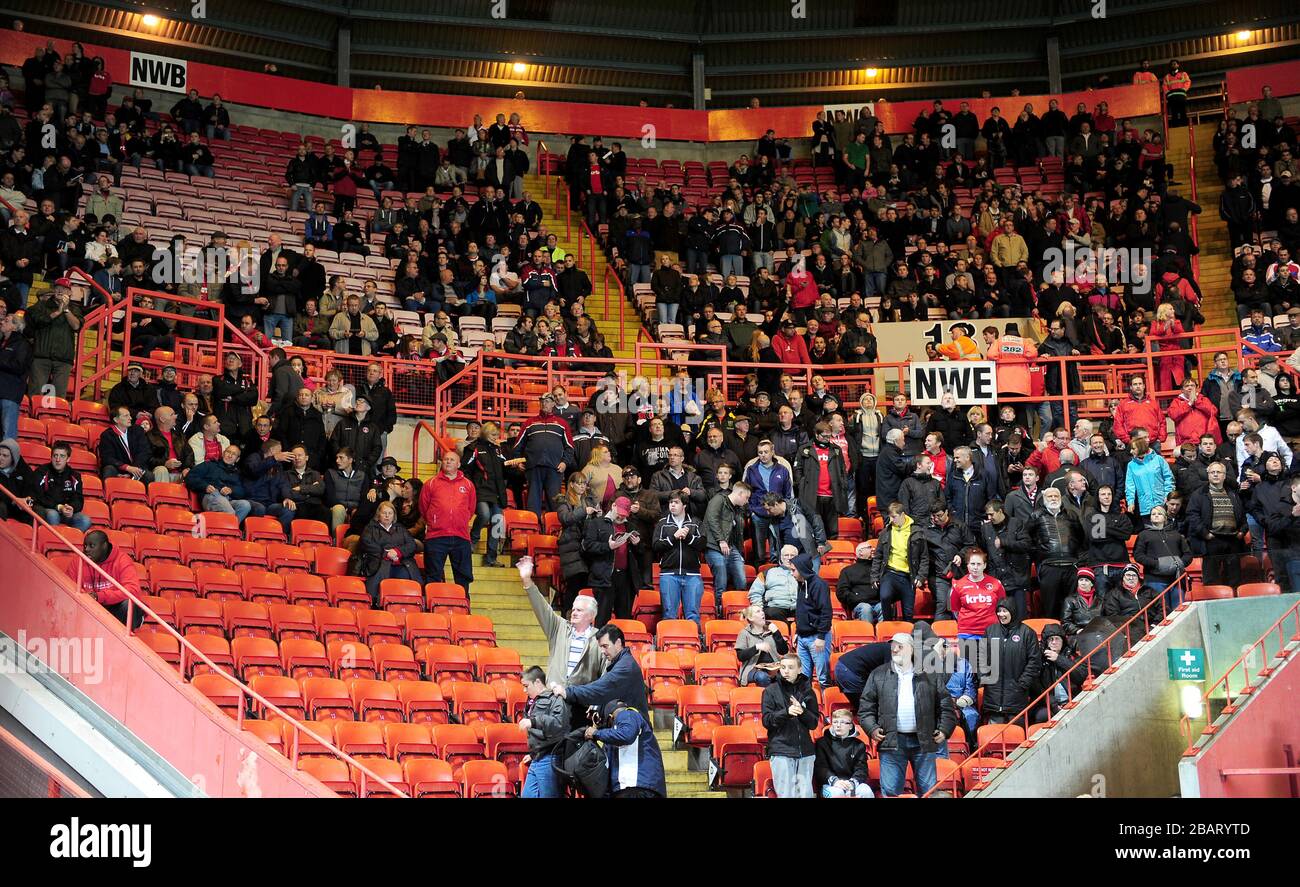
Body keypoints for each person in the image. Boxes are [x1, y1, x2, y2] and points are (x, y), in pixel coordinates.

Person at [858, 631, 956, 797]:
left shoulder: (930, 675)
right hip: (891, 741)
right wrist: (872, 728)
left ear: (911, 649)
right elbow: (866, 707)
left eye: (899, 646)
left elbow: (945, 705)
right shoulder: (878, 674)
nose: (894, 650)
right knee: (890, 791)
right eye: (893, 646)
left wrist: (945, 729)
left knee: (929, 792)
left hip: (924, 741)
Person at [555, 624, 650, 721]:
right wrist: (597, 706)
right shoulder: (620, 662)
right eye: (601, 647)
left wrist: (567, 692)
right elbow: (611, 694)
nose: (602, 651)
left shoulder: (625, 667)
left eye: (605, 646)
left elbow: (600, 689)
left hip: (634, 731)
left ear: (618, 643)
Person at [761, 652, 821, 798]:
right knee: (786, 795)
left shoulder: (808, 691)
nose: (786, 671)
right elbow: (767, 720)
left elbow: (813, 723)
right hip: (781, 750)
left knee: (805, 795)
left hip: (805, 752)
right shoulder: (770, 691)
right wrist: (786, 712)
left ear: (799, 669)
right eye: (783, 667)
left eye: (790, 667)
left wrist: (802, 712)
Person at [585, 699, 666, 798]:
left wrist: (596, 733)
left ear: (611, 717)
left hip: (637, 786)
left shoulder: (627, 714)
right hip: (633, 789)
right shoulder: (612, 739)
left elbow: (626, 735)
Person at [64, 530, 143, 628]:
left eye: (92, 546)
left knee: (129, 605)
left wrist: (99, 596)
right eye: (85, 546)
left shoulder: (122, 560)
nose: (86, 549)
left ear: (104, 546)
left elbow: (132, 590)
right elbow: (67, 589)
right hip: (90, 610)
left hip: (114, 608)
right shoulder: (78, 562)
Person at [981, 597, 1042, 724]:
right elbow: (981, 656)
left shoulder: (1027, 633)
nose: (1001, 614)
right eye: (999, 611)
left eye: (1005, 611)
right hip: (993, 696)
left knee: (1016, 736)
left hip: (1017, 697)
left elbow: (1034, 661)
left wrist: (1023, 683)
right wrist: (985, 677)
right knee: (994, 739)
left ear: (1013, 611)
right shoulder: (990, 631)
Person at [583, 495, 641, 625]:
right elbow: (588, 546)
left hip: (625, 578)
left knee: (624, 619)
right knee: (602, 618)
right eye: (619, 514)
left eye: (624, 515)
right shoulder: (597, 523)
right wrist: (608, 546)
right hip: (604, 577)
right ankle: (597, 645)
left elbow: (640, 553)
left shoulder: (630, 525)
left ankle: (621, 644)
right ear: (613, 506)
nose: (621, 517)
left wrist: (637, 544)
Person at [516, 394, 575, 515]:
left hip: (555, 469)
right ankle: (532, 529)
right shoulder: (529, 423)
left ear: (554, 404)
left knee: (554, 502)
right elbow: (518, 445)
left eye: (548, 401)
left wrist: (564, 462)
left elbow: (570, 447)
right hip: (533, 468)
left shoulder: (562, 423)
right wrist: (518, 461)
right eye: (542, 401)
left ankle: (553, 531)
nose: (544, 404)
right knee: (532, 503)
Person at [461, 420, 509, 567]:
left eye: (497, 434)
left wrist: (514, 467)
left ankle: (491, 557)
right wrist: (473, 486)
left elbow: (505, 469)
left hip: (497, 492)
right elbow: (465, 469)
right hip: (480, 490)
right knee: (484, 514)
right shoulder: (473, 448)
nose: (496, 437)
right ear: (486, 433)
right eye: (493, 434)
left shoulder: (498, 450)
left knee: (498, 521)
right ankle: (472, 541)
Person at [355, 500, 421, 606]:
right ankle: (378, 605)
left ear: (394, 515)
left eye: (390, 513)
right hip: (378, 563)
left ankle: (405, 606)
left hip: (401, 563)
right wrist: (386, 554)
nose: (387, 516)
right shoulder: (370, 529)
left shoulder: (401, 529)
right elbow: (366, 543)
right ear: (378, 514)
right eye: (384, 513)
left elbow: (411, 545)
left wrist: (398, 552)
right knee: (380, 584)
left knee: (406, 578)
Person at [653, 492, 706, 625]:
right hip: (669, 574)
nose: (672, 505)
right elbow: (656, 546)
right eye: (671, 502)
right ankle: (668, 644)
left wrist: (687, 537)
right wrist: (673, 537)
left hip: (692, 574)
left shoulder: (696, 522)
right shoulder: (662, 523)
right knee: (669, 614)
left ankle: (694, 645)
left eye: (676, 502)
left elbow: (702, 545)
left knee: (693, 615)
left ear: (684, 505)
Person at [871, 501, 929, 620]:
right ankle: (887, 625)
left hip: (909, 576)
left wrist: (921, 576)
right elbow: (878, 556)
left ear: (902, 514)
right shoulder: (885, 533)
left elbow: (924, 557)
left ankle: (908, 636)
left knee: (908, 613)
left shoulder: (917, 532)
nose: (891, 520)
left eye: (894, 517)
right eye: (890, 517)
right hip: (890, 573)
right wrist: (874, 576)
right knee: (885, 597)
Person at [518, 666, 570, 799]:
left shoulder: (555, 699)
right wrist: (533, 753)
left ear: (537, 682)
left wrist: (534, 721)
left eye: (526, 686)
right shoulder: (532, 701)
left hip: (549, 758)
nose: (524, 690)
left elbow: (558, 724)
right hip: (538, 757)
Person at [26, 277, 82, 398]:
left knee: (59, 397)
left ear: (70, 292)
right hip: (41, 356)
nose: (60, 291)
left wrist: (66, 309)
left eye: (64, 289)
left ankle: (55, 417)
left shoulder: (74, 308)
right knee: (35, 394)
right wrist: (57, 312)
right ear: (54, 290)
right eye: (58, 288)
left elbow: (77, 326)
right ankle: (32, 417)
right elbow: (38, 320)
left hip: (63, 359)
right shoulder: (41, 305)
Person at [703, 481, 752, 600]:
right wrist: (721, 540)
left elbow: (737, 533)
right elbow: (711, 519)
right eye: (746, 497)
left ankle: (739, 607)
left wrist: (739, 552)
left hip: (730, 546)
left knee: (742, 580)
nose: (747, 501)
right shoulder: (718, 499)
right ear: (740, 493)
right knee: (721, 582)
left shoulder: (737, 509)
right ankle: (720, 609)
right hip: (714, 546)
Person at [32, 441, 91, 530]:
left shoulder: (74, 476)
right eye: (55, 455)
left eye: (62, 456)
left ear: (68, 459)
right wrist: (58, 507)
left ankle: (69, 542)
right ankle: (52, 542)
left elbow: (78, 498)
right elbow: (38, 496)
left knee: (85, 520)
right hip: (48, 509)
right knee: (53, 515)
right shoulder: (41, 472)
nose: (58, 459)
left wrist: (72, 508)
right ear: (51, 457)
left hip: (67, 512)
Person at [187, 444, 253, 525]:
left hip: (228, 499)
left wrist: (231, 490)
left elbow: (242, 492)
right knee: (230, 512)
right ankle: (230, 531)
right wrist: (205, 486)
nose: (230, 455)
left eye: (234, 454)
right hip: (211, 496)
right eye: (228, 452)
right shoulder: (209, 465)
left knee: (245, 505)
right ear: (223, 453)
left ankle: (228, 530)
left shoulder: (237, 473)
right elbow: (190, 477)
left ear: (237, 459)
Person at [814, 708, 874, 798]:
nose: (838, 725)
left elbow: (861, 768)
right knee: (837, 794)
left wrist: (852, 782)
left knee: (866, 792)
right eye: (835, 722)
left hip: (851, 784)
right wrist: (835, 781)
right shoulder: (822, 743)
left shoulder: (859, 745)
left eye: (842, 722)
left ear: (850, 726)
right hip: (830, 784)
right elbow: (821, 768)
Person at [951, 547, 1006, 640]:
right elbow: (956, 609)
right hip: (967, 633)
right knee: (969, 655)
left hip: (992, 632)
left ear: (984, 565)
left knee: (993, 655)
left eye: (979, 564)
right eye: (972, 564)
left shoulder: (996, 584)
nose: (975, 567)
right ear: (967, 565)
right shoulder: (958, 585)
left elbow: (1002, 606)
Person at [736, 603, 789, 687]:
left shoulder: (771, 630)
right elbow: (740, 656)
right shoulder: (744, 633)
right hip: (753, 669)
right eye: (758, 611)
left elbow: (784, 651)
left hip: (774, 667)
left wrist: (776, 632)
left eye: (762, 611)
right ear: (751, 618)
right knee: (762, 677)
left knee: (789, 674)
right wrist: (756, 647)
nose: (762, 613)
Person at [98, 405, 152, 481]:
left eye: (129, 415)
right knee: (108, 470)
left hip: (136, 467)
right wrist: (127, 468)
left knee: (149, 476)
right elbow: (107, 458)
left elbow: (144, 452)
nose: (130, 418)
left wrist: (133, 470)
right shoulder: (107, 435)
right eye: (126, 416)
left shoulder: (138, 430)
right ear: (116, 419)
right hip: (118, 468)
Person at [0, 313, 31, 443]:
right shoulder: (2, 342)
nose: (2, 322)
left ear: (15, 327)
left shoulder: (23, 344)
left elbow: (19, 366)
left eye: (6, 321)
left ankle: (8, 464)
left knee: (8, 435)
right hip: (3, 392)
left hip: (10, 395)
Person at [836, 541, 881, 623]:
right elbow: (841, 592)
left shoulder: (879, 569)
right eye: (869, 547)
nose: (873, 549)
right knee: (866, 608)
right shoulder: (848, 571)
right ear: (860, 552)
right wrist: (858, 598)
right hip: (860, 604)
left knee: (884, 607)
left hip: (877, 603)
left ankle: (882, 633)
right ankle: (867, 634)